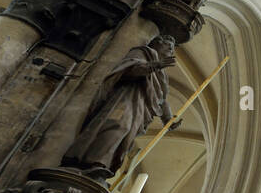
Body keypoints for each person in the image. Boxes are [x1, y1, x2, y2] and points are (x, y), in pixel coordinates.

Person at [63, 34, 179, 179]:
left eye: (172, 47)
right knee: (117, 124)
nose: (170, 49)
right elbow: (128, 71)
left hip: (142, 107)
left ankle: (103, 164)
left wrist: (168, 118)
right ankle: (89, 161)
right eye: (167, 44)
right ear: (156, 43)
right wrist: (154, 65)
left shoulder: (162, 74)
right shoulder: (143, 52)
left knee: (127, 136)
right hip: (128, 96)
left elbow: (161, 97)